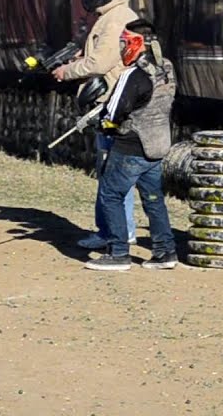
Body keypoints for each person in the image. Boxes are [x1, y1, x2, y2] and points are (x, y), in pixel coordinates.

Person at [53, 0, 140, 249]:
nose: (87, 0)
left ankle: (115, 233)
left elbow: (100, 65)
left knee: (112, 172)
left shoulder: (115, 20)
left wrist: (67, 71)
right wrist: (82, 57)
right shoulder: (113, 17)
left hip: (113, 105)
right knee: (112, 172)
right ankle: (114, 230)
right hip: (116, 102)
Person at [85, 22, 180, 271]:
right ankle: (165, 252)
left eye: (124, 43)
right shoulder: (167, 67)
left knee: (111, 194)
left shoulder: (133, 74)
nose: (122, 47)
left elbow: (113, 112)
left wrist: (99, 122)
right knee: (153, 198)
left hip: (131, 146)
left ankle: (118, 253)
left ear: (135, 43)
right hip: (158, 144)